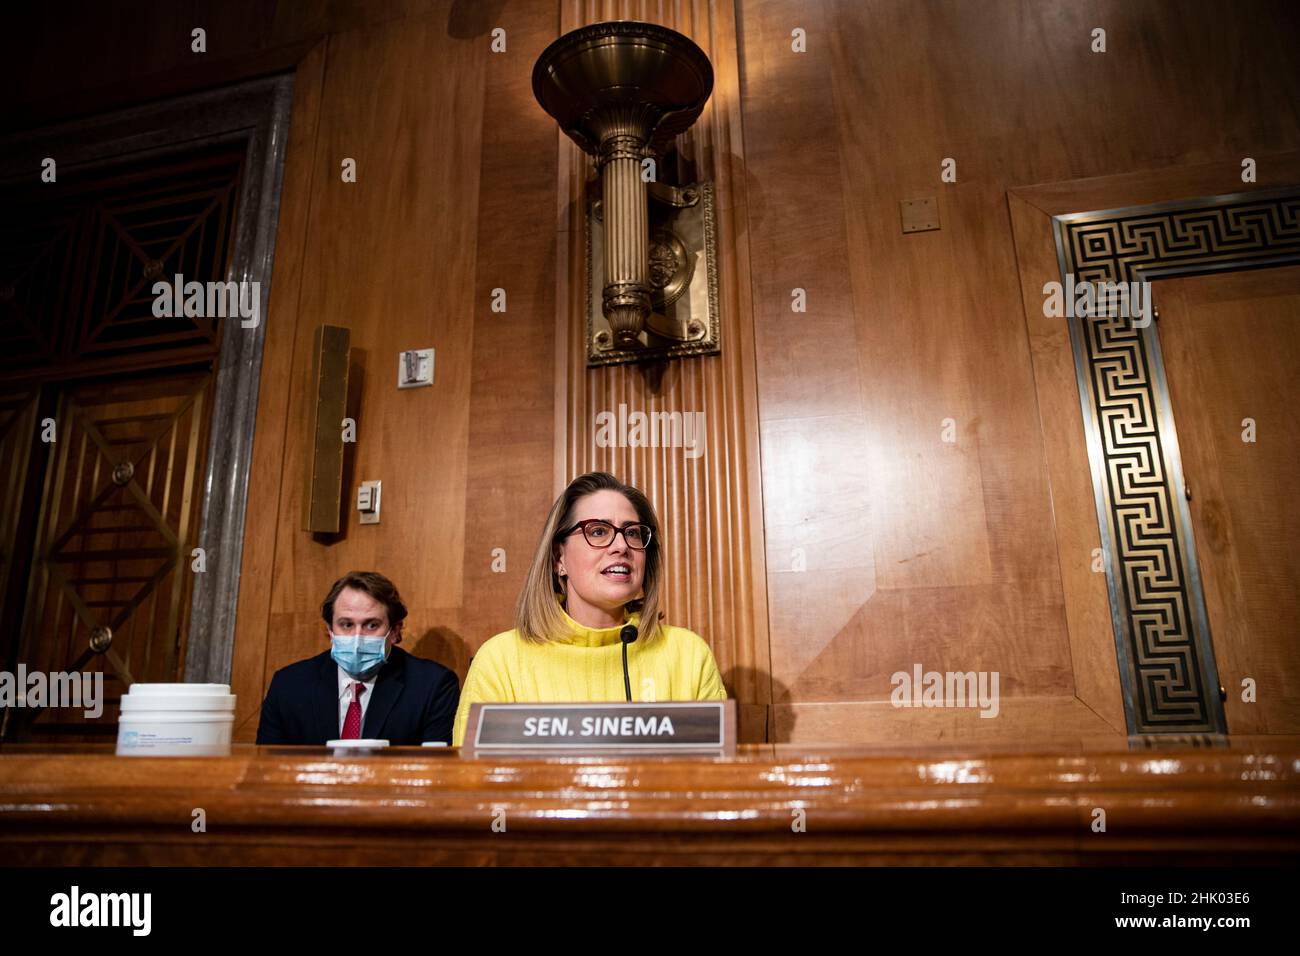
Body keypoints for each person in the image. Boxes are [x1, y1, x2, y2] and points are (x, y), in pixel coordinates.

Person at [452, 471, 726, 746]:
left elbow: (717, 781)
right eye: (598, 531)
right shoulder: (501, 662)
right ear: (559, 557)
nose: (621, 546)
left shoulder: (688, 655)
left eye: (632, 533)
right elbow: (472, 785)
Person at [257, 571, 459, 745]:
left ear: (395, 631)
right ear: (329, 630)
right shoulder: (289, 685)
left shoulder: (432, 686)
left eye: (371, 625)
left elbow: (434, 771)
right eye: (346, 624)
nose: (357, 637)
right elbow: (266, 768)